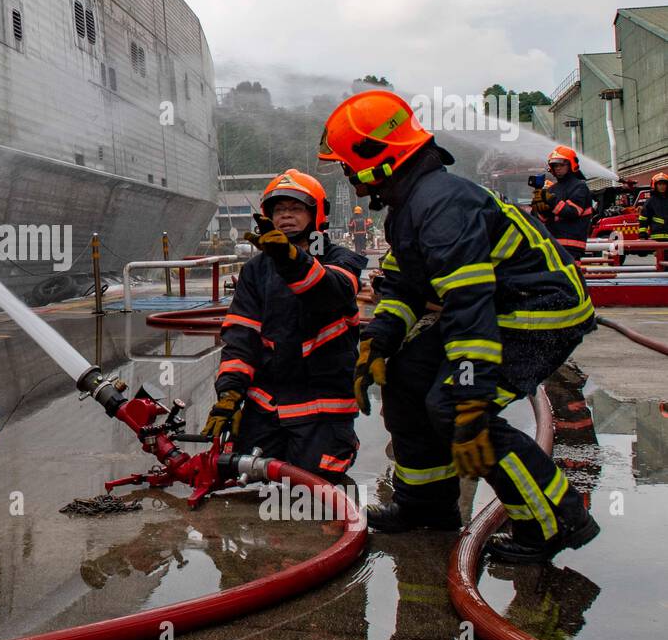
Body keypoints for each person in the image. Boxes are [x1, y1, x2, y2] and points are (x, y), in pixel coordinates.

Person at [319, 90, 599, 563]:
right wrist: (379, 343)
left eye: (347, 163)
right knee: (407, 379)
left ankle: (554, 519)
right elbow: (408, 286)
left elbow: (469, 305)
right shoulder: (413, 205)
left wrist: (469, 398)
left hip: (542, 313)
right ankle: (426, 505)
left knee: (453, 408)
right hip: (502, 306)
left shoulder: (441, 205)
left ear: (376, 160)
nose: (346, 174)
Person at [201, 169, 366, 480]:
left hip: (322, 406)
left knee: (317, 487)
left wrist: (290, 259)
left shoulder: (339, 259)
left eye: (296, 208)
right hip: (269, 406)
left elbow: (328, 292)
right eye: (279, 210)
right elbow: (241, 335)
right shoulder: (256, 269)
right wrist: (230, 394)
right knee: (245, 480)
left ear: (316, 213)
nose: (286, 216)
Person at [532, 146, 593, 261]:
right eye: (555, 166)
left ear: (571, 165)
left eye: (561, 165)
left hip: (572, 246)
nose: (558, 168)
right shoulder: (551, 189)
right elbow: (541, 220)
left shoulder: (579, 187)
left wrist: (550, 200)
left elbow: (572, 212)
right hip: (552, 244)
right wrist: (539, 208)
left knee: (570, 277)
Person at [638, 172, 668, 243]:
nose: (662, 186)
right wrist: (642, 234)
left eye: (664, 184)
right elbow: (643, 219)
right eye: (659, 184)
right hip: (657, 237)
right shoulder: (650, 201)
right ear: (655, 185)